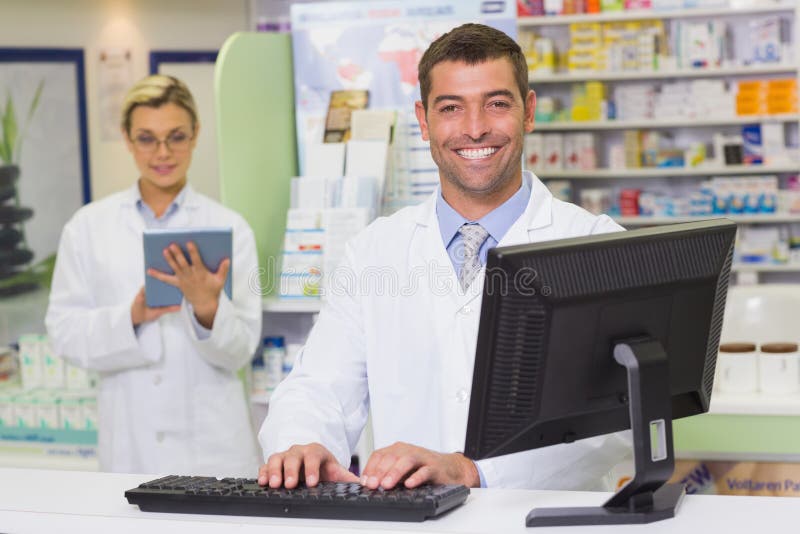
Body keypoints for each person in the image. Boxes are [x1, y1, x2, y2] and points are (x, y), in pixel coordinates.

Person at [258, 23, 630, 490]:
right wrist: (303, 445)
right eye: (451, 108)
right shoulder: (375, 251)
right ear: (423, 119)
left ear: (529, 111)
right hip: (411, 518)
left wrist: (474, 471)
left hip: (540, 519)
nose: (475, 128)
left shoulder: (595, 246)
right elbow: (318, 387)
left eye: (497, 103)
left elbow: (618, 421)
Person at [46, 75, 262, 476]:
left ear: (196, 135)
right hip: (131, 445)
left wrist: (207, 308)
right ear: (127, 139)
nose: (163, 152)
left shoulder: (231, 227)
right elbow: (64, 334)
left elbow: (242, 348)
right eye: (147, 138)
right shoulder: (88, 227)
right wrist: (133, 316)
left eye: (176, 136)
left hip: (214, 449)